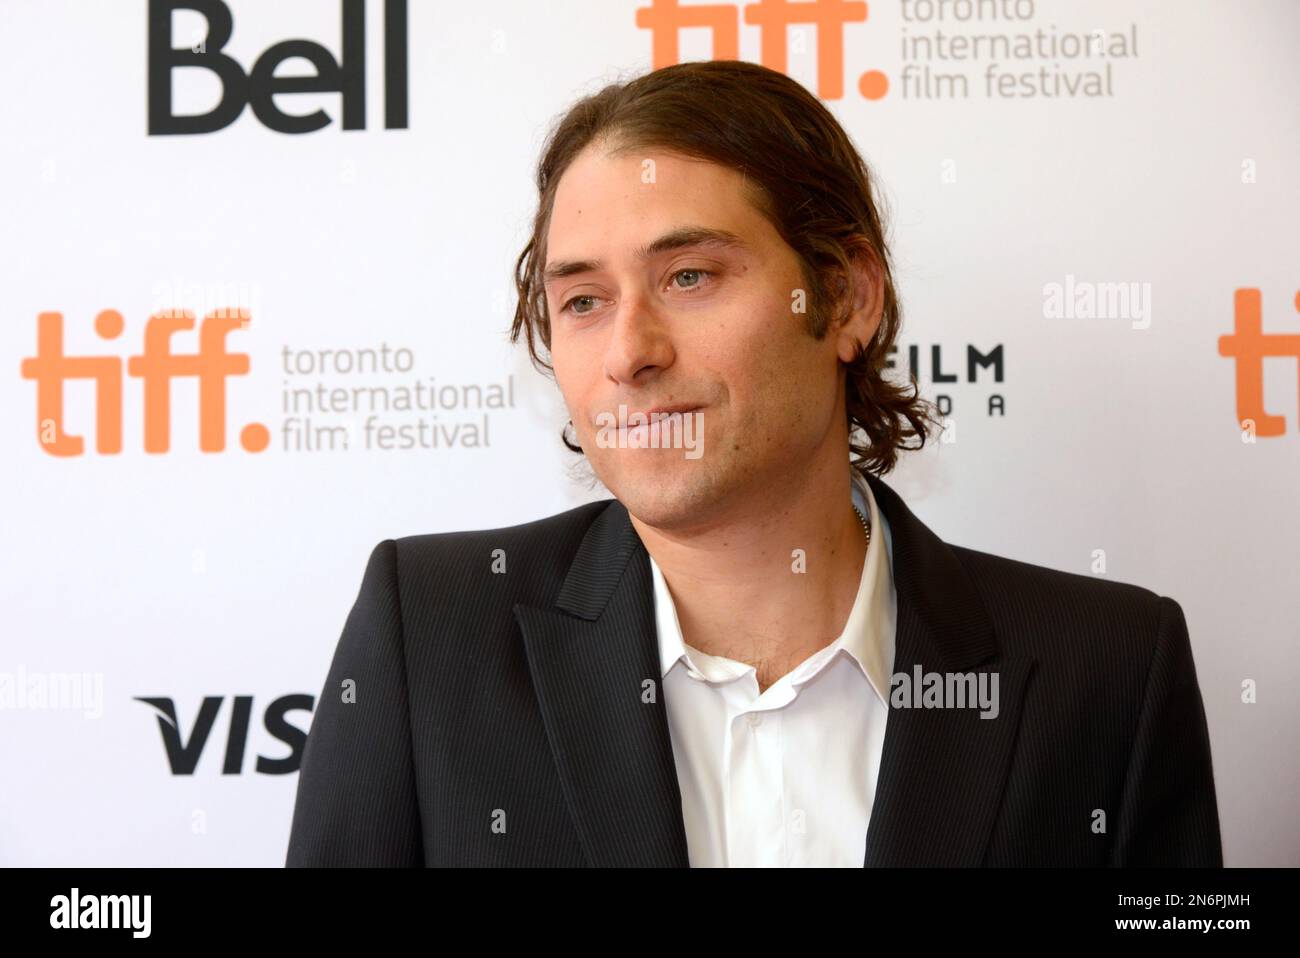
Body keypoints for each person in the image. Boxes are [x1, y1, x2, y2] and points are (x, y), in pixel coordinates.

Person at [285, 60, 1221, 867]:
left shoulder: (1106, 670)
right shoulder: (432, 634)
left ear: (846, 298)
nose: (628, 351)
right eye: (581, 300)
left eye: (688, 277)